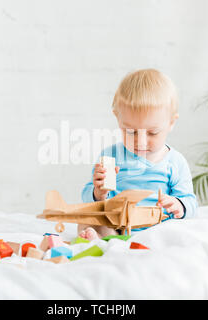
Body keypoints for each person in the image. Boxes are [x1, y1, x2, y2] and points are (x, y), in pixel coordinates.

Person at [79, 69, 198, 240]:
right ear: (118, 119)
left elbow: (190, 201)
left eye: (152, 133)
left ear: (171, 123)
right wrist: (98, 192)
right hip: (118, 225)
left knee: (179, 231)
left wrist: (179, 204)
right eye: (131, 131)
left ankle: (109, 240)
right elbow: (88, 197)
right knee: (86, 218)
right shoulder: (111, 156)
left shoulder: (175, 162)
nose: (140, 142)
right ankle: (107, 239)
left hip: (158, 227)